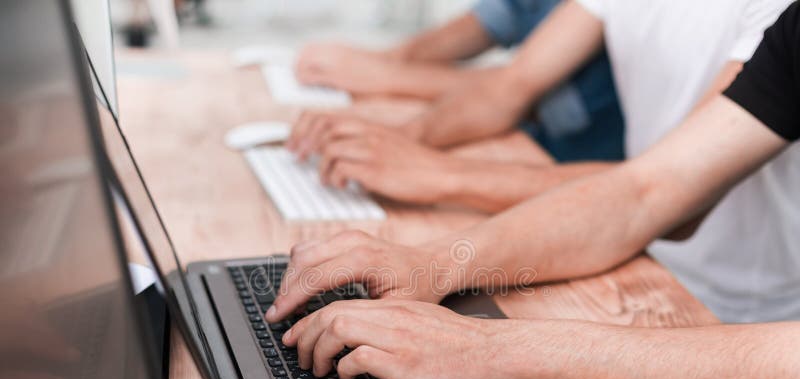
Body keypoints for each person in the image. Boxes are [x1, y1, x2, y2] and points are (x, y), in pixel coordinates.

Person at [265, 3, 800, 379]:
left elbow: (680, 215)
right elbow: (646, 190)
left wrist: (491, 349)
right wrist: (434, 263)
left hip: (745, 341)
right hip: (661, 303)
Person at [287, 0, 789, 215]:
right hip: (634, 244)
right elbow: (512, 83)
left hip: (737, 312)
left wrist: (437, 172)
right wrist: (403, 143)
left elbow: (674, 199)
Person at [294, 0, 625, 164]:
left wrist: (388, 84)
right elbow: (494, 18)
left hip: (574, 171)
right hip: (527, 153)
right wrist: (389, 60)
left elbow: (521, 93)